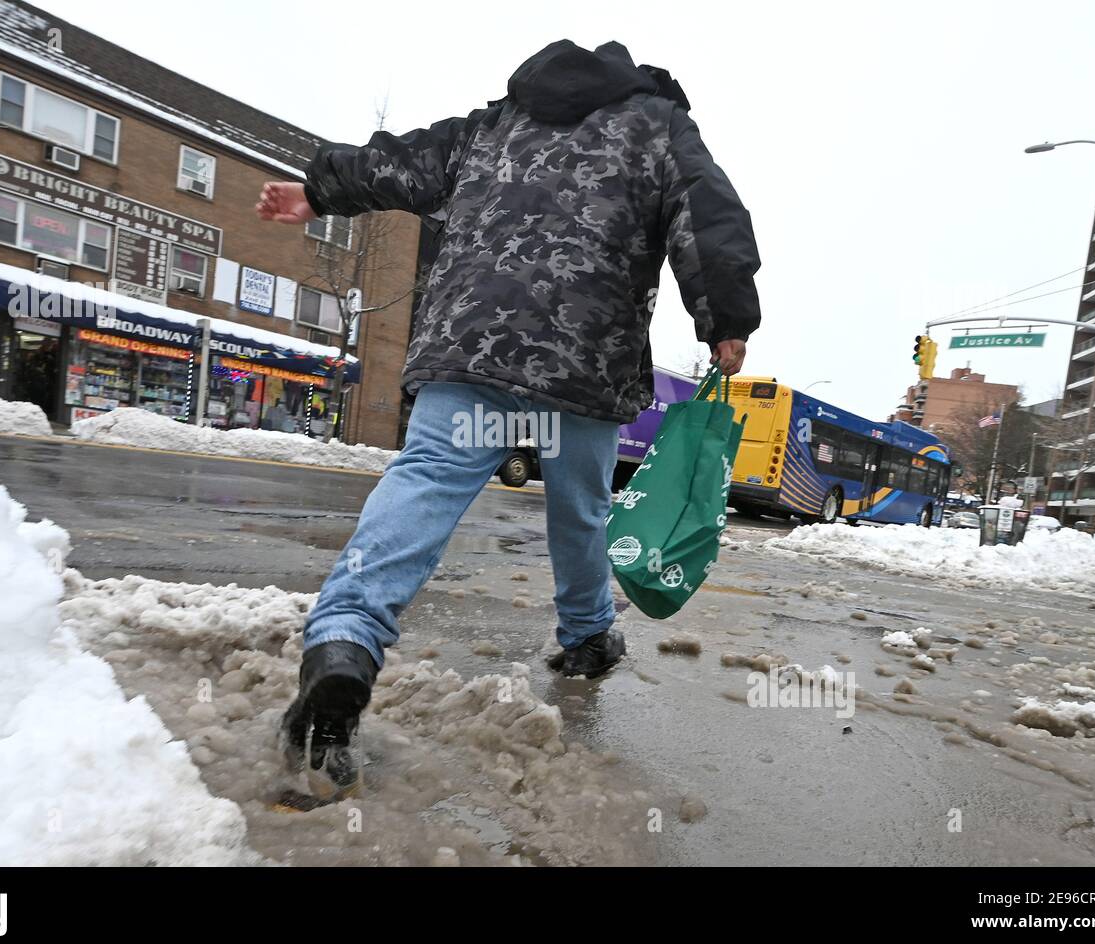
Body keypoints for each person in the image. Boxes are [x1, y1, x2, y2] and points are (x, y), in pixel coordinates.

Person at [256, 39, 761, 776]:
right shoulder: (657, 125)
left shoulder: (496, 123)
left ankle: (345, 640)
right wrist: (725, 317)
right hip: (582, 362)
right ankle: (587, 635)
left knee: (425, 479)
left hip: (473, 343)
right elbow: (706, 211)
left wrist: (318, 191)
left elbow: (401, 163)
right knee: (580, 506)